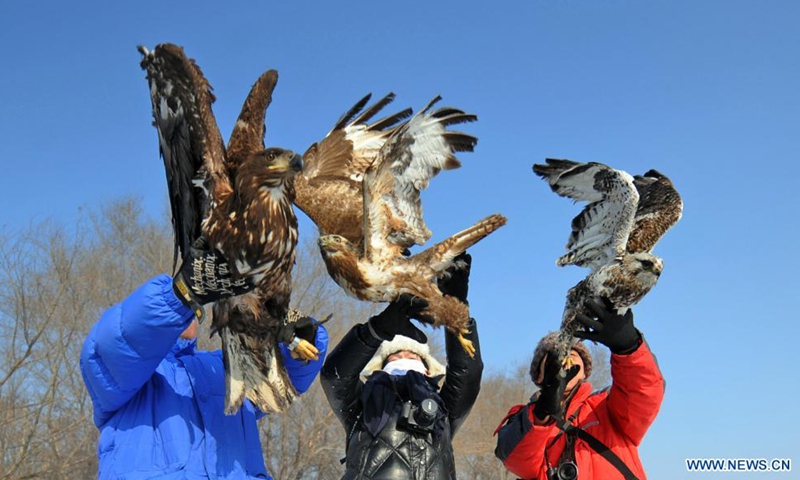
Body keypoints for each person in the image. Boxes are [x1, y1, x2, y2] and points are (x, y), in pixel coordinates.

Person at [80, 243, 328, 479]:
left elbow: (283, 379)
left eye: (197, 308)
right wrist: (178, 294)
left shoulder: (221, 369)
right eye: (189, 307)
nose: (191, 314)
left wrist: (299, 338)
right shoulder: (131, 376)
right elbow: (119, 342)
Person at [320, 253, 483, 480]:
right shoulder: (361, 405)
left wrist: (456, 311)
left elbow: (468, 373)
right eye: (396, 356)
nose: (404, 359)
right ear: (380, 368)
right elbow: (335, 376)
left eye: (413, 356)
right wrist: (377, 330)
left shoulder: (444, 409)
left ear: (428, 371)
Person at [494, 299, 664, 480]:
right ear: (540, 376)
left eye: (572, 355)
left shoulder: (606, 405)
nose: (565, 359)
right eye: (555, 357)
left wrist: (628, 347)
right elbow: (517, 461)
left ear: (584, 372)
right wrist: (542, 411)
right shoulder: (525, 419)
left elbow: (644, 392)